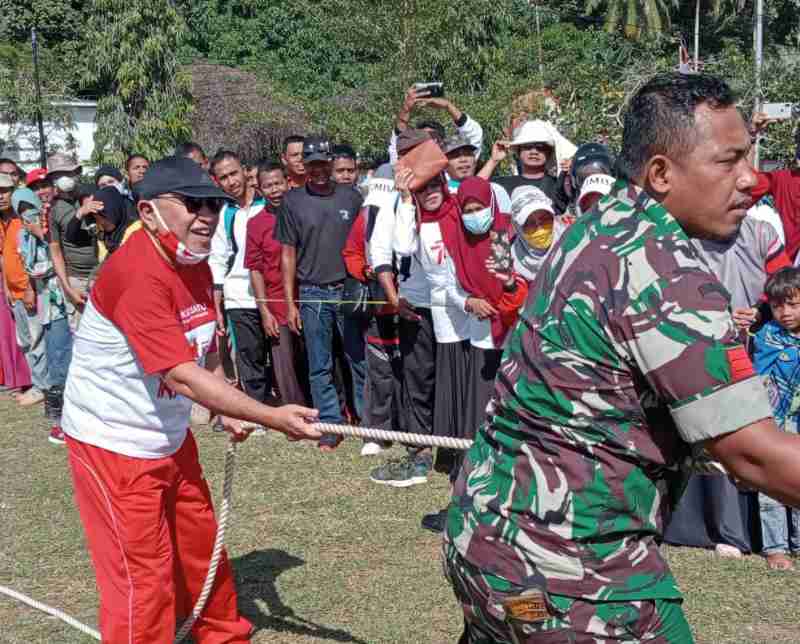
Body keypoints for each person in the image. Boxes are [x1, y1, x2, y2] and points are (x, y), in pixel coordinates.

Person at [444, 72, 800, 643]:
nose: (751, 179)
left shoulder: (592, 230)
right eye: (728, 162)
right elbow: (754, 456)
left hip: (484, 548)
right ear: (660, 173)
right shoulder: (669, 277)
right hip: (572, 579)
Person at [61, 155, 321, 643]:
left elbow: (207, 346)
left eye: (212, 204)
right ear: (149, 211)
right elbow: (181, 377)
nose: (206, 214)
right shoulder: (137, 271)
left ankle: (223, 635)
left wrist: (227, 403)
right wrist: (268, 414)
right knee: (143, 576)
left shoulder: (194, 263)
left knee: (201, 547)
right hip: (113, 444)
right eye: (192, 203)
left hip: (168, 436)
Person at [275, 135, 366, 450]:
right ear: (303, 166)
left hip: (349, 291)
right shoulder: (292, 201)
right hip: (312, 294)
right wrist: (291, 303)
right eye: (311, 165)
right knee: (319, 364)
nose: (318, 171)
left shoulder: (352, 197)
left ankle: (369, 425)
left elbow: (365, 243)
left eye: (323, 164)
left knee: (359, 359)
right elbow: (287, 254)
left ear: (331, 162)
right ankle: (330, 425)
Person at [368, 131, 438, 487]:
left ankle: (452, 443)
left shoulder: (448, 195)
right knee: (418, 379)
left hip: (451, 307)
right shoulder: (392, 203)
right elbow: (381, 254)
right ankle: (421, 447)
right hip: (414, 306)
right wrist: (394, 299)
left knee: (452, 379)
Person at [208, 150, 271, 409]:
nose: (231, 181)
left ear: (245, 171)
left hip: (273, 292)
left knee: (281, 354)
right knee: (250, 355)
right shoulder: (225, 213)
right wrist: (218, 301)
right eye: (223, 177)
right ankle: (256, 409)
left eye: (234, 173)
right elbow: (218, 257)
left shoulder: (268, 204)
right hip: (238, 297)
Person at [244, 161, 308, 407]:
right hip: (276, 303)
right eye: (268, 186)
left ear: (288, 182)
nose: (274, 190)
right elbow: (255, 269)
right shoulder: (255, 223)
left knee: (313, 359)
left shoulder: (303, 213)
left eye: (278, 184)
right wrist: (264, 311)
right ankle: (294, 412)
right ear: (259, 190)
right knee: (285, 365)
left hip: (309, 297)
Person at [12, 187, 72, 444]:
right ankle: (62, 419)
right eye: (22, 211)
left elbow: (52, 263)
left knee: (62, 360)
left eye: (32, 209)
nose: (29, 216)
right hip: (46, 305)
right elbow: (31, 268)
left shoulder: (48, 230)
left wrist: (42, 236)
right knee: (52, 356)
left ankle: (66, 422)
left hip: (62, 303)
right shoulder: (24, 237)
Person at [752, 267, 800, 570]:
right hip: (774, 421)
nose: (784, 312)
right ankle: (775, 547)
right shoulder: (768, 336)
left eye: (793, 304)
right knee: (770, 486)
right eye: (777, 306)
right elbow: (760, 376)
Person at [1, 172, 44, 406]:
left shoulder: (24, 220)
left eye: (4, 191)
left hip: (29, 291)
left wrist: (29, 288)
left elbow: (33, 257)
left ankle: (41, 387)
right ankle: (36, 384)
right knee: (26, 341)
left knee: (37, 340)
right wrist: (8, 287)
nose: (1, 197)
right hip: (14, 293)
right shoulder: (4, 222)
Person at [46, 153, 98, 332]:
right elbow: (55, 251)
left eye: (68, 172)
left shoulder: (92, 195)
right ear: (52, 179)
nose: (64, 178)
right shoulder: (51, 210)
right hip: (77, 280)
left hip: (103, 274)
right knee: (82, 336)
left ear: (78, 172)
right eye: (58, 174)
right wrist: (68, 289)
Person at [479, 119, 576, 213]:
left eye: (540, 147)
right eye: (528, 146)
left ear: (549, 152)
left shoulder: (560, 185)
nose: (534, 152)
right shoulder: (502, 185)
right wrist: (493, 161)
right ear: (519, 150)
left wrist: (574, 169)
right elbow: (470, 191)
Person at [388, 85, 484, 164]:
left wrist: (448, 106)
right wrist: (406, 108)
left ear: (442, 143)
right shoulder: (405, 168)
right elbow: (398, 140)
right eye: (423, 138)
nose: (428, 142)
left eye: (433, 139)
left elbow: (474, 135)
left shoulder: (451, 170)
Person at [750, 118, 800, 260]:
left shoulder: (783, 179)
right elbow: (745, 182)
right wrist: (752, 136)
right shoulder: (783, 180)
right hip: (789, 274)